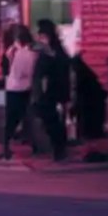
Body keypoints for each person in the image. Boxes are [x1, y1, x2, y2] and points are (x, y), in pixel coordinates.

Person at [33, 19, 70, 161]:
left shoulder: (53, 51)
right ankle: (58, 148)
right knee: (52, 120)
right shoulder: (54, 51)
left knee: (53, 120)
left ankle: (59, 148)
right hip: (51, 91)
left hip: (52, 92)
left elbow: (47, 71)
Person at [0, 25, 38, 160]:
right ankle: (31, 143)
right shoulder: (28, 51)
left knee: (13, 118)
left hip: (14, 87)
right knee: (24, 116)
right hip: (25, 86)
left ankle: (7, 146)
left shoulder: (12, 51)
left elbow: (6, 70)